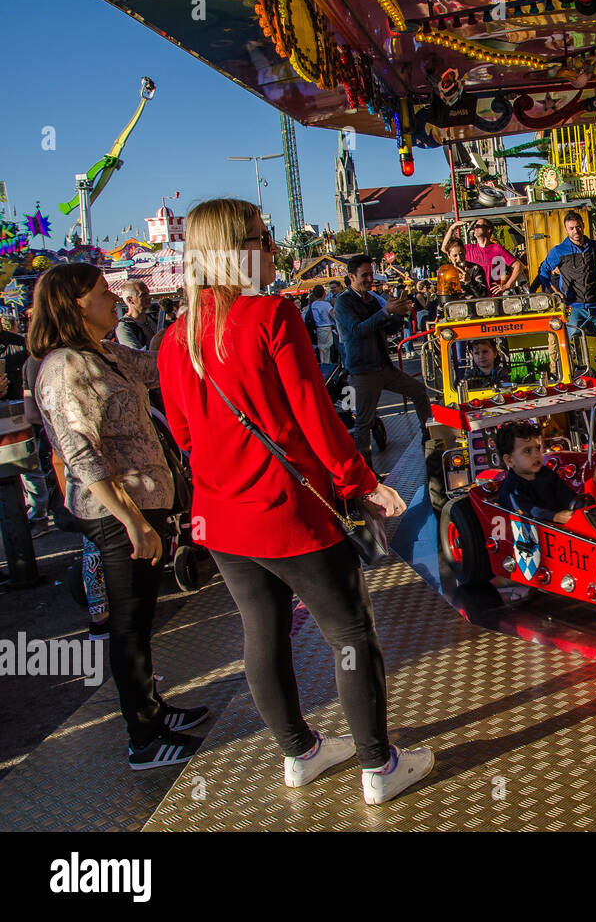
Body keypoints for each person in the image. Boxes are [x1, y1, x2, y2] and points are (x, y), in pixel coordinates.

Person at [159, 198, 432, 804]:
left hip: (221, 520)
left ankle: (299, 753)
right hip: (287, 513)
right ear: (236, 249)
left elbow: (183, 437)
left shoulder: (176, 337)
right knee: (351, 634)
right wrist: (362, 482)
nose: (274, 246)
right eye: (262, 236)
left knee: (262, 633)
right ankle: (377, 766)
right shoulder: (270, 315)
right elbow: (315, 416)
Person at [29, 262, 208, 770]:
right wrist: (130, 520)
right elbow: (81, 453)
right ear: (74, 304)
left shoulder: (105, 355)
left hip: (143, 505)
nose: (114, 298)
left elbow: (156, 367)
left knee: (143, 619)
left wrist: (189, 313)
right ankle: (143, 739)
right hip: (117, 514)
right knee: (128, 624)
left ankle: (153, 712)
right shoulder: (66, 366)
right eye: (103, 292)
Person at [334, 254, 432, 468]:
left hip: (381, 366)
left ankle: (428, 438)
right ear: (351, 276)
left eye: (371, 274)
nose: (370, 279)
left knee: (419, 391)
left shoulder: (371, 299)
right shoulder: (343, 302)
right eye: (365, 275)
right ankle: (367, 473)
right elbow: (356, 331)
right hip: (363, 370)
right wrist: (386, 311)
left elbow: (388, 329)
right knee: (364, 422)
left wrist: (399, 314)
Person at [497, 420, 584, 525]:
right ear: (509, 460)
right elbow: (528, 511)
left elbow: (566, 495)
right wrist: (555, 517)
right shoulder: (511, 489)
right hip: (532, 533)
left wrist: (580, 504)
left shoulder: (546, 473)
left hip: (558, 527)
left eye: (537, 448)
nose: (536, 455)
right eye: (527, 451)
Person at [538, 212, 596, 334]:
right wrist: (555, 291)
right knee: (574, 344)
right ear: (566, 229)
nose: (575, 231)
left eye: (578, 227)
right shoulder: (558, 251)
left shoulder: (594, 246)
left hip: (595, 304)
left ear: (583, 225)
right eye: (571, 228)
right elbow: (543, 271)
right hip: (573, 306)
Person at [445, 219, 525, 293]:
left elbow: (518, 265)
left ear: (488, 230)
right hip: (474, 296)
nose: (475, 228)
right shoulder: (468, 249)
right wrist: (452, 228)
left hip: (492, 298)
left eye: (478, 226)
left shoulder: (497, 249)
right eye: (475, 226)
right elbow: (446, 249)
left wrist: (507, 285)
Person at [115, 280, 155, 350]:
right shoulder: (123, 327)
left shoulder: (152, 319)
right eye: (143, 295)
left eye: (148, 294)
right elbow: (137, 356)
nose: (149, 298)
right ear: (130, 300)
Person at [307, 285, 335, 364]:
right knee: (328, 349)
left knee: (322, 349)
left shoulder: (313, 305)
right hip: (327, 328)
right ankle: (328, 366)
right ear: (324, 293)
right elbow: (334, 316)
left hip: (317, 328)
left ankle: (323, 365)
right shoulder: (326, 305)